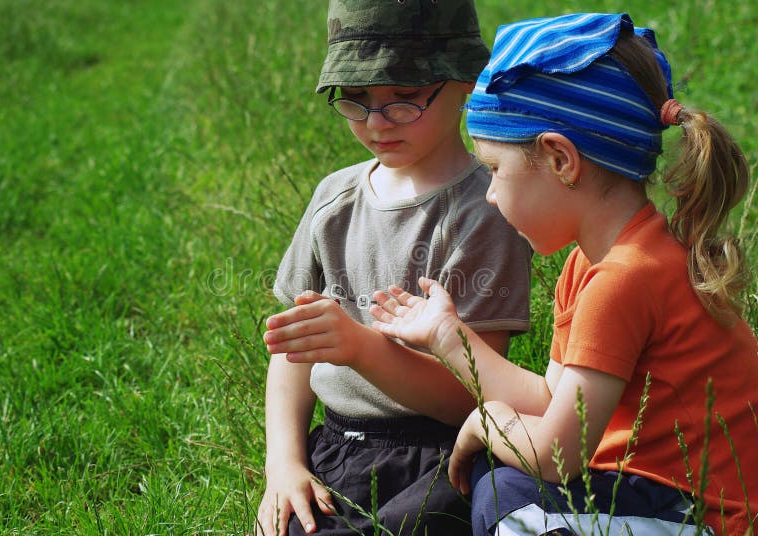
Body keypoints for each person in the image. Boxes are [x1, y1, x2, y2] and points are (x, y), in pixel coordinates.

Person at [370, 12, 758, 536]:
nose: (488, 193)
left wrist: (488, 422)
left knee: (510, 497)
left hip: (703, 517)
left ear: (560, 160)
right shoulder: (593, 262)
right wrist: (448, 336)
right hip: (654, 493)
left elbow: (556, 455)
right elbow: (553, 402)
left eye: (493, 170)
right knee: (502, 477)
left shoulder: (624, 280)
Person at [254, 1, 534, 535]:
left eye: (404, 100)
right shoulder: (334, 198)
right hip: (338, 449)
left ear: (464, 80)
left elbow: (472, 395)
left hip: (444, 451)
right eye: (357, 101)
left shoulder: (487, 211)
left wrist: (360, 348)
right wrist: (283, 464)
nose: (377, 123)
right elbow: (295, 354)